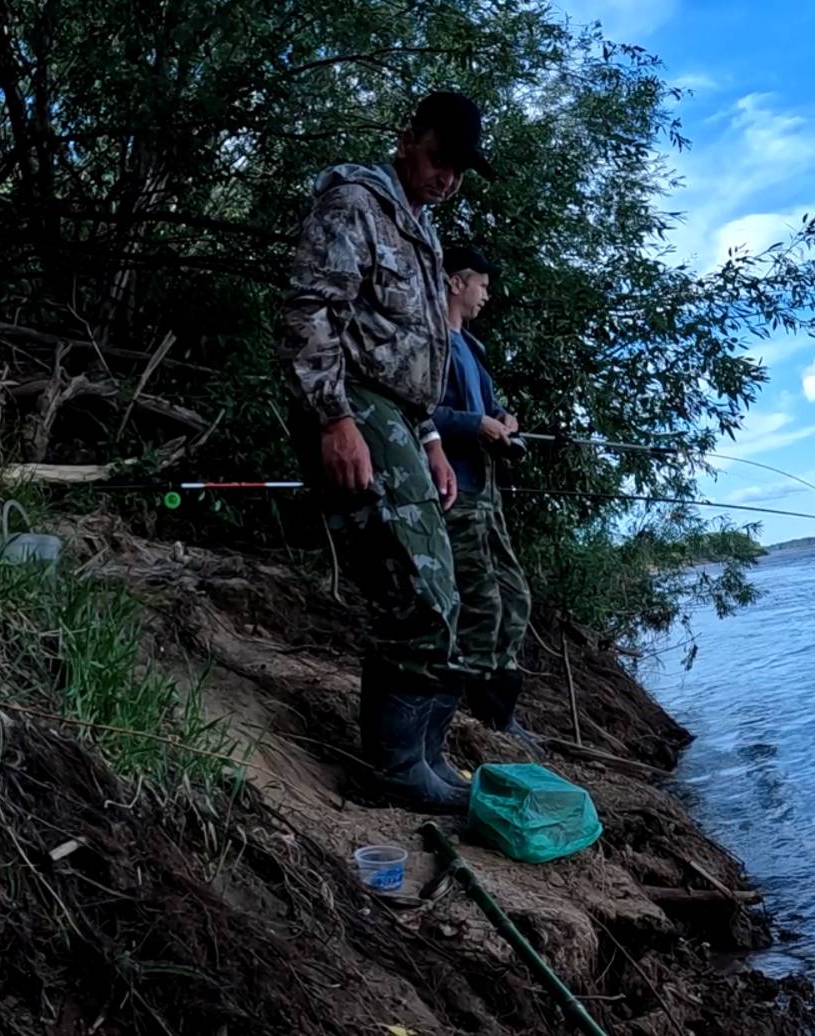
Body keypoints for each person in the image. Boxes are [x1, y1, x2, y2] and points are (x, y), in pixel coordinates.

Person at [276, 91, 494, 813]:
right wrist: (334, 419)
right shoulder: (355, 203)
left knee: (443, 594)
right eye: (440, 160)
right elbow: (310, 312)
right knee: (421, 592)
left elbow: (415, 354)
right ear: (408, 140)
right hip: (353, 405)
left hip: (400, 418)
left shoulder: (423, 232)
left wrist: (431, 439)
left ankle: (423, 755)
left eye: (459, 171)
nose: (446, 179)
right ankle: (398, 771)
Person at [430, 244, 539, 751]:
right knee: (481, 603)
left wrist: (505, 421)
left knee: (515, 595)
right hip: (456, 492)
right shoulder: (431, 342)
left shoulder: (474, 349)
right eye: (482, 285)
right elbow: (419, 411)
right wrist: (477, 424)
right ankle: (473, 714)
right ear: (456, 283)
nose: (486, 296)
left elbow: (493, 405)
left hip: (488, 495)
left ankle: (501, 709)